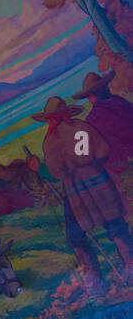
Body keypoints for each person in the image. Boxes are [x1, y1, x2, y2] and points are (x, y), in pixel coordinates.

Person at [33, 96, 133, 293]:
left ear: (53, 118)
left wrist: (38, 169)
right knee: (115, 225)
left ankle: (95, 283)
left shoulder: (52, 139)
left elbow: (56, 172)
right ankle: (130, 265)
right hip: (100, 180)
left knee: (75, 235)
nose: (49, 123)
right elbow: (103, 149)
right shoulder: (83, 126)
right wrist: (92, 165)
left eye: (49, 119)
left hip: (77, 190)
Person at [73, 70, 133, 175]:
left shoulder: (94, 117)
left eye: (88, 96)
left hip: (124, 162)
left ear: (91, 95)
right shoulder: (119, 100)